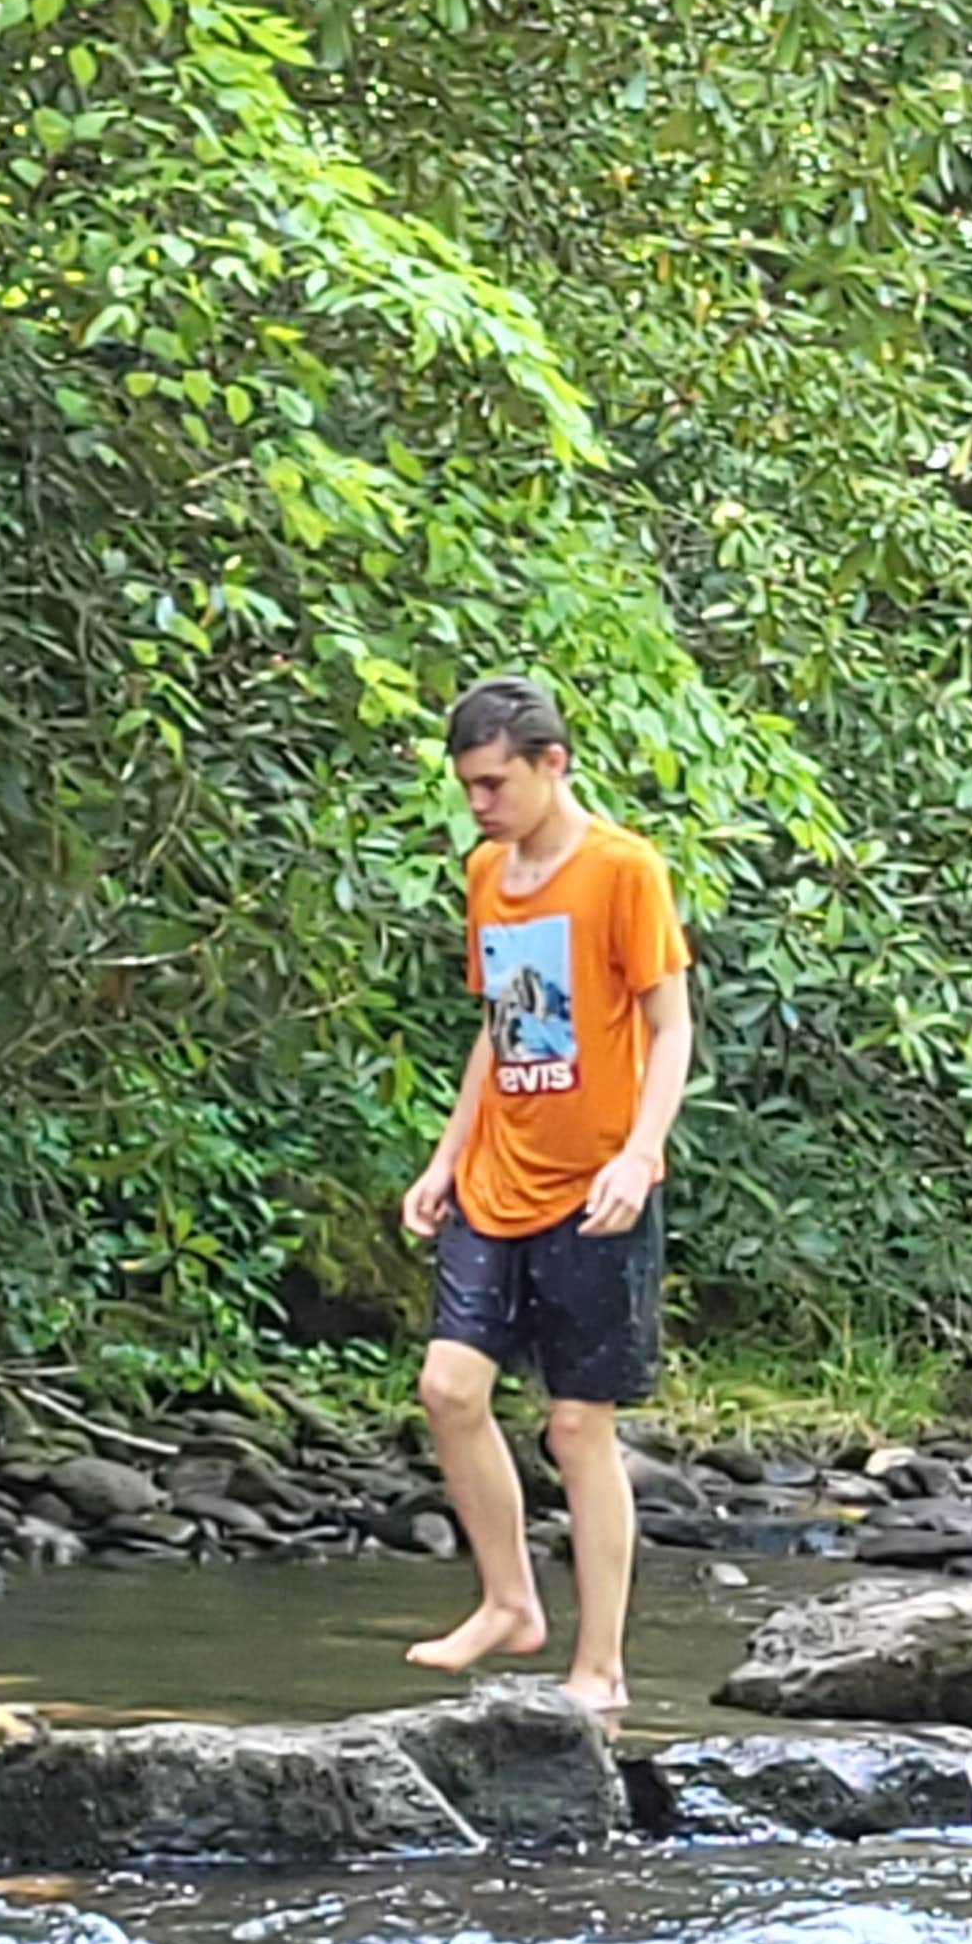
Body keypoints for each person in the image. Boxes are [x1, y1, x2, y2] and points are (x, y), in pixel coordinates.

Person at [399, 677, 693, 1707]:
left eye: (494, 784)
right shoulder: (488, 874)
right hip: (497, 1175)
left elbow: (671, 1028)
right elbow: (504, 1028)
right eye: (468, 787)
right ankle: (510, 1601)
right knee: (449, 1388)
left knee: (577, 1428)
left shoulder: (623, 871)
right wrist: (444, 1159)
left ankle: (600, 1667)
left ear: (550, 763)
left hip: (597, 1186)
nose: (479, 806)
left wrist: (639, 1153)